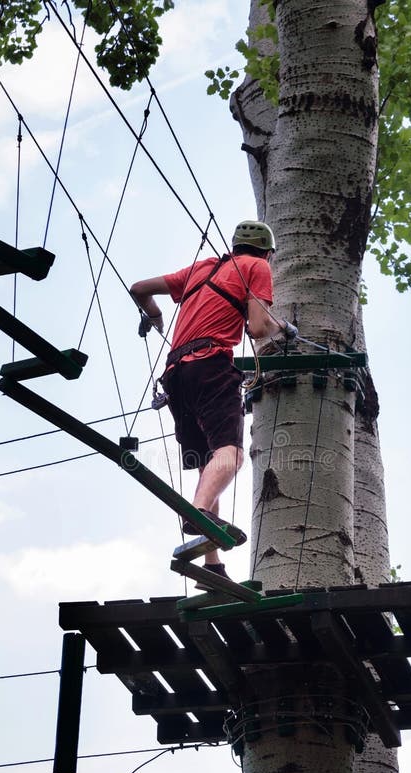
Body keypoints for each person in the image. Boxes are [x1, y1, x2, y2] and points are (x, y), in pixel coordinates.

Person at [129, 220, 297, 582]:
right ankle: (199, 511)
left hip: (175, 374)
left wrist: (155, 315)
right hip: (210, 366)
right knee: (231, 455)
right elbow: (257, 327)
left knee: (210, 463)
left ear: (235, 246)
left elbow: (140, 288)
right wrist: (283, 327)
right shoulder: (258, 267)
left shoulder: (202, 268)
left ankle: (213, 564)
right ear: (267, 251)